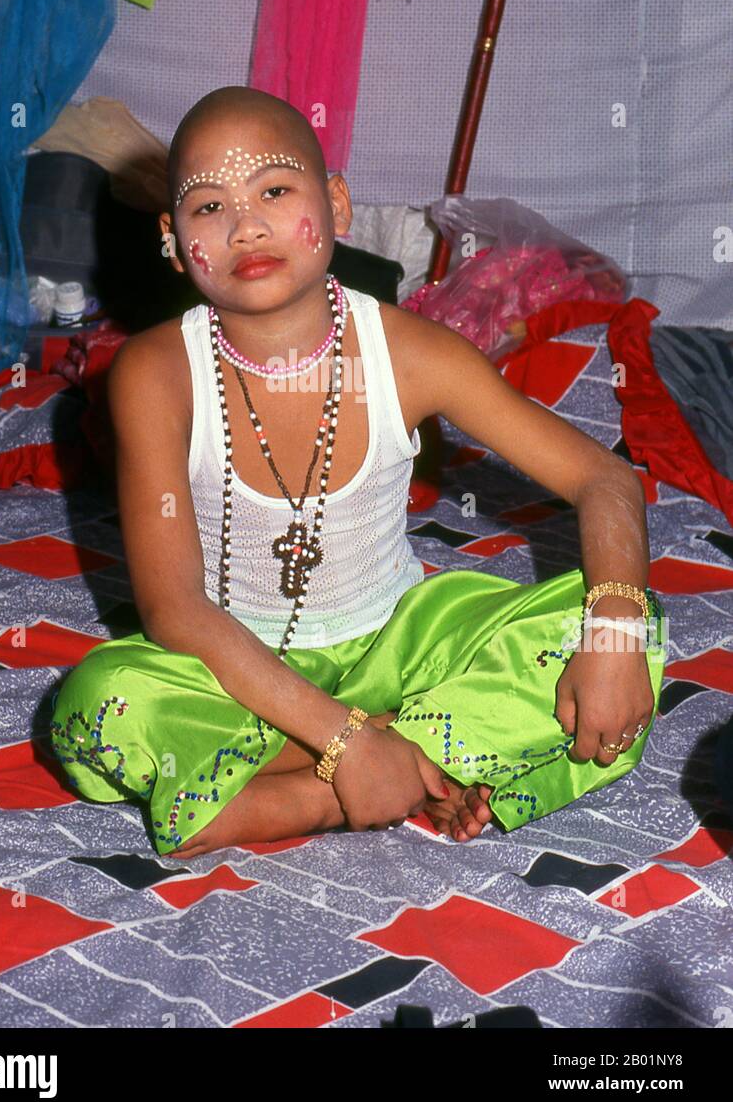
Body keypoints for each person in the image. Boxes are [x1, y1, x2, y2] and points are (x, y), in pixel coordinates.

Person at [49, 86, 667, 860]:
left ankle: (318, 787)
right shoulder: (153, 372)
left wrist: (610, 635)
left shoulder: (410, 354)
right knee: (94, 709)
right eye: (210, 208)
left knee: (624, 640)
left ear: (336, 205)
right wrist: (344, 739)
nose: (247, 225)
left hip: (400, 651)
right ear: (172, 241)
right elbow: (175, 610)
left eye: (274, 190)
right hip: (232, 670)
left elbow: (604, 481)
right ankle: (402, 767)